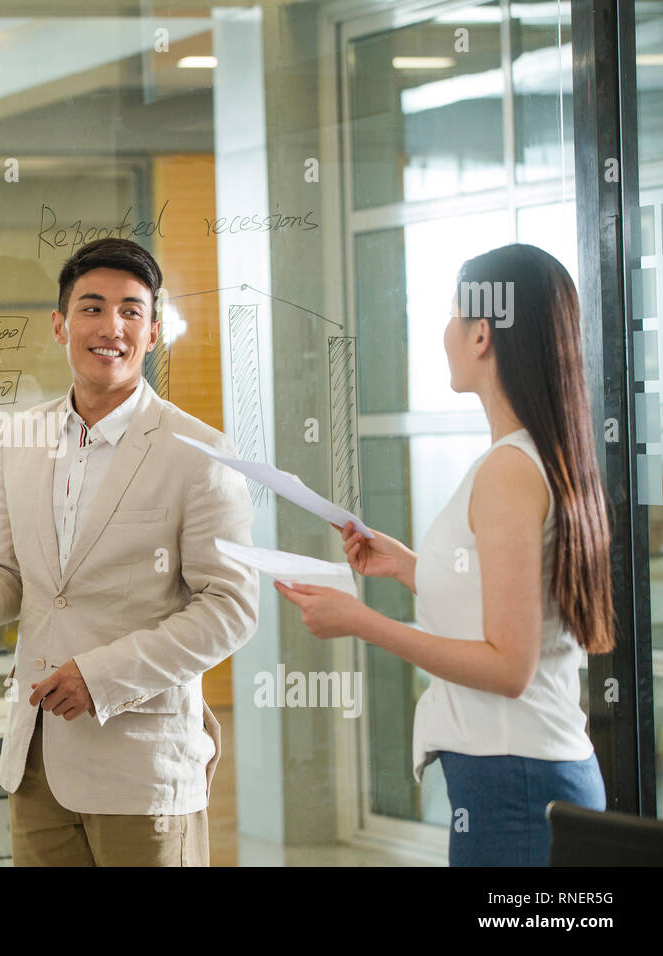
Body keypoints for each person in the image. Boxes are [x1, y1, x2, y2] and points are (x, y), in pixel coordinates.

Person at [0, 238, 259, 866]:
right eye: (93, 308)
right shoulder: (20, 438)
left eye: (132, 311)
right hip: (36, 760)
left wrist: (101, 677)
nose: (113, 327)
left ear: (153, 331)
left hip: (142, 769)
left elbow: (230, 610)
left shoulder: (201, 453)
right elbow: (13, 571)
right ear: (60, 325)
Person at [276, 243, 613, 866]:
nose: (442, 334)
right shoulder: (536, 456)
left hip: (515, 785)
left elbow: (509, 666)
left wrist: (363, 624)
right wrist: (407, 565)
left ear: (482, 334)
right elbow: (506, 605)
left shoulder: (509, 470)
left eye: (452, 316)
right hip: (523, 777)